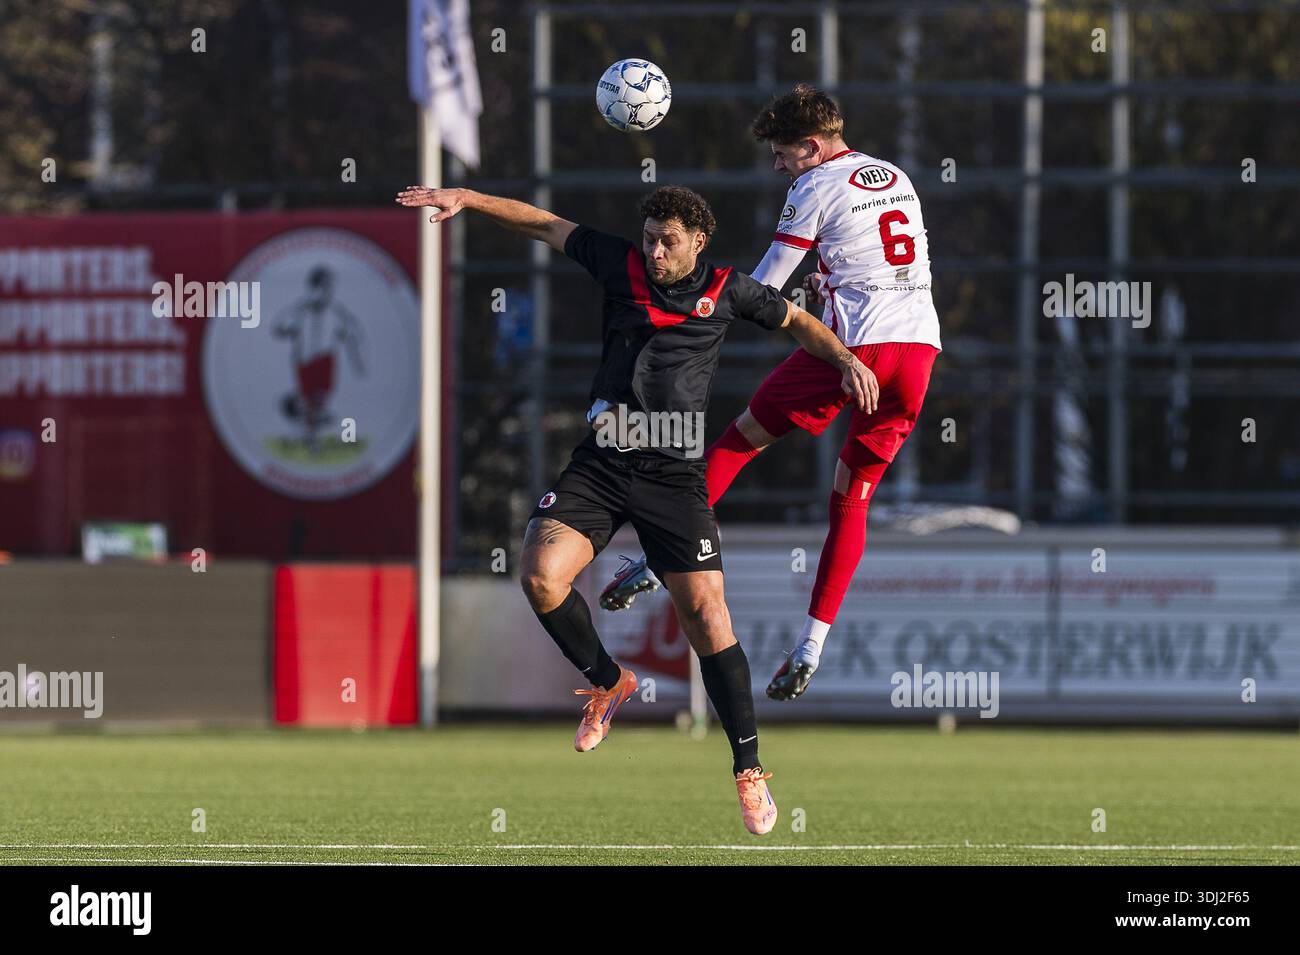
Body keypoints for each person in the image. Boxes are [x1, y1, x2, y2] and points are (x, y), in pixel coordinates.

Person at [397, 182, 873, 834]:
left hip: (674, 479)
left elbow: (796, 322)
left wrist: (845, 357)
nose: (654, 251)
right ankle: (609, 682)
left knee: (707, 615)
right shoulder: (618, 261)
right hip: (602, 461)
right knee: (539, 574)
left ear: (697, 241)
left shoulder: (731, 288)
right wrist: (467, 198)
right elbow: (542, 224)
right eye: (649, 237)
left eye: (668, 241)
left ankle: (749, 767)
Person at [601, 84, 941, 704]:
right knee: (852, 498)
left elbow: (767, 286)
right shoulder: (895, 175)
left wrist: (700, 314)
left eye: (783, 155)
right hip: (918, 352)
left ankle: (657, 559)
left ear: (812, 148)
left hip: (854, 349)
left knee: (743, 437)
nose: (778, 166)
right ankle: (812, 643)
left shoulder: (814, 186)